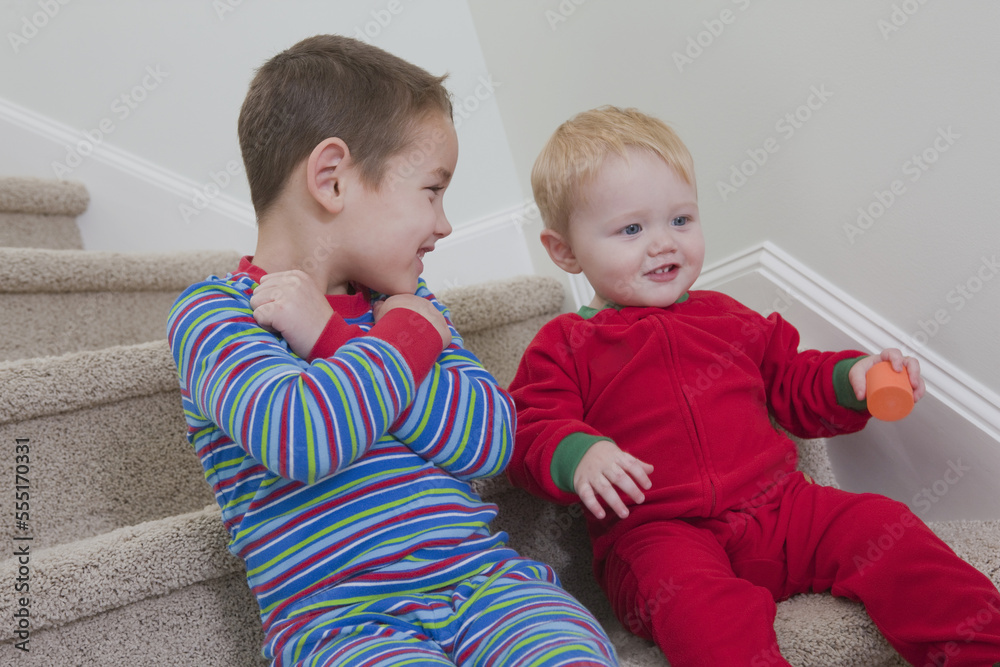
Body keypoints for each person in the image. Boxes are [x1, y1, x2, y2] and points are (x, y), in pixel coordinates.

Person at [167, 35, 619, 667]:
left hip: (486, 587)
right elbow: (305, 437)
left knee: (563, 650)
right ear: (331, 179)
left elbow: (487, 440)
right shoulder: (217, 315)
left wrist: (339, 337)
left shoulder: (408, 309)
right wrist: (393, 342)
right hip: (341, 622)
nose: (444, 224)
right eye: (432, 190)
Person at [507, 105, 1000, 667]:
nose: (664, 243)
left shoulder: (727, 318)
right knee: (706, 610)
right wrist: (580, 453)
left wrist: (851, 378)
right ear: (564, 250)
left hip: (779, 510)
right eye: (632, 229)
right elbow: (525, 426)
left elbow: (792, 379)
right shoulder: (567, 343)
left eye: (681, 220)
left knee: (884, 527)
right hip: (659, 539)